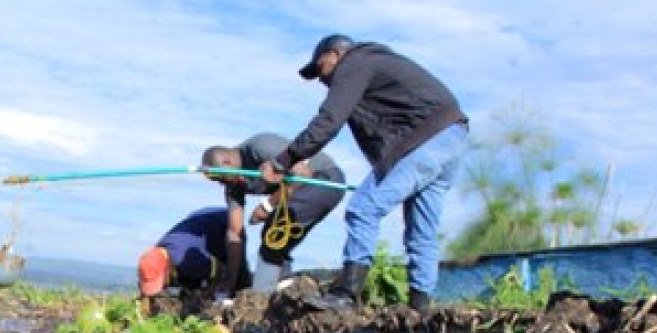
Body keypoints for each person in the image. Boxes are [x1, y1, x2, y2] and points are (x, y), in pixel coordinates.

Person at [260, 34, 468, 313]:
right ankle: (420, 309)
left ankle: (345, 294)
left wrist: (282, 162)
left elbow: (328, 121)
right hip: (451, 138)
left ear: (335, 54)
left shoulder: (355, 63)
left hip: (425, 141)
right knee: (421, 232)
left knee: (363, 208)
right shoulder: (376, 65)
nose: (322, 80)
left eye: (320, 68)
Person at [199, 132, 346, 295]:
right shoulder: (233, 184)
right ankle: (278, 288)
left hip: (324, 179)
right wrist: (230, 281)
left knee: (275, 230)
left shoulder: (260, 146)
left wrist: (267, 206)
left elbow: (303, 174)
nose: (222, 184)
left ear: (227, 162)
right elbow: (235, 233)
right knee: (275, 235)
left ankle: (266, 294)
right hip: (299, 190)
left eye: (221, 179)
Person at [137, 206, 253, 299]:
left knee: (236, 279)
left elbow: (221, 270)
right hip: (199, 222)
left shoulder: (188, 260)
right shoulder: (156, 253)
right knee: (189, 282)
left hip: (225, 223)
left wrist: (208, 293)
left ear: (167, 267)